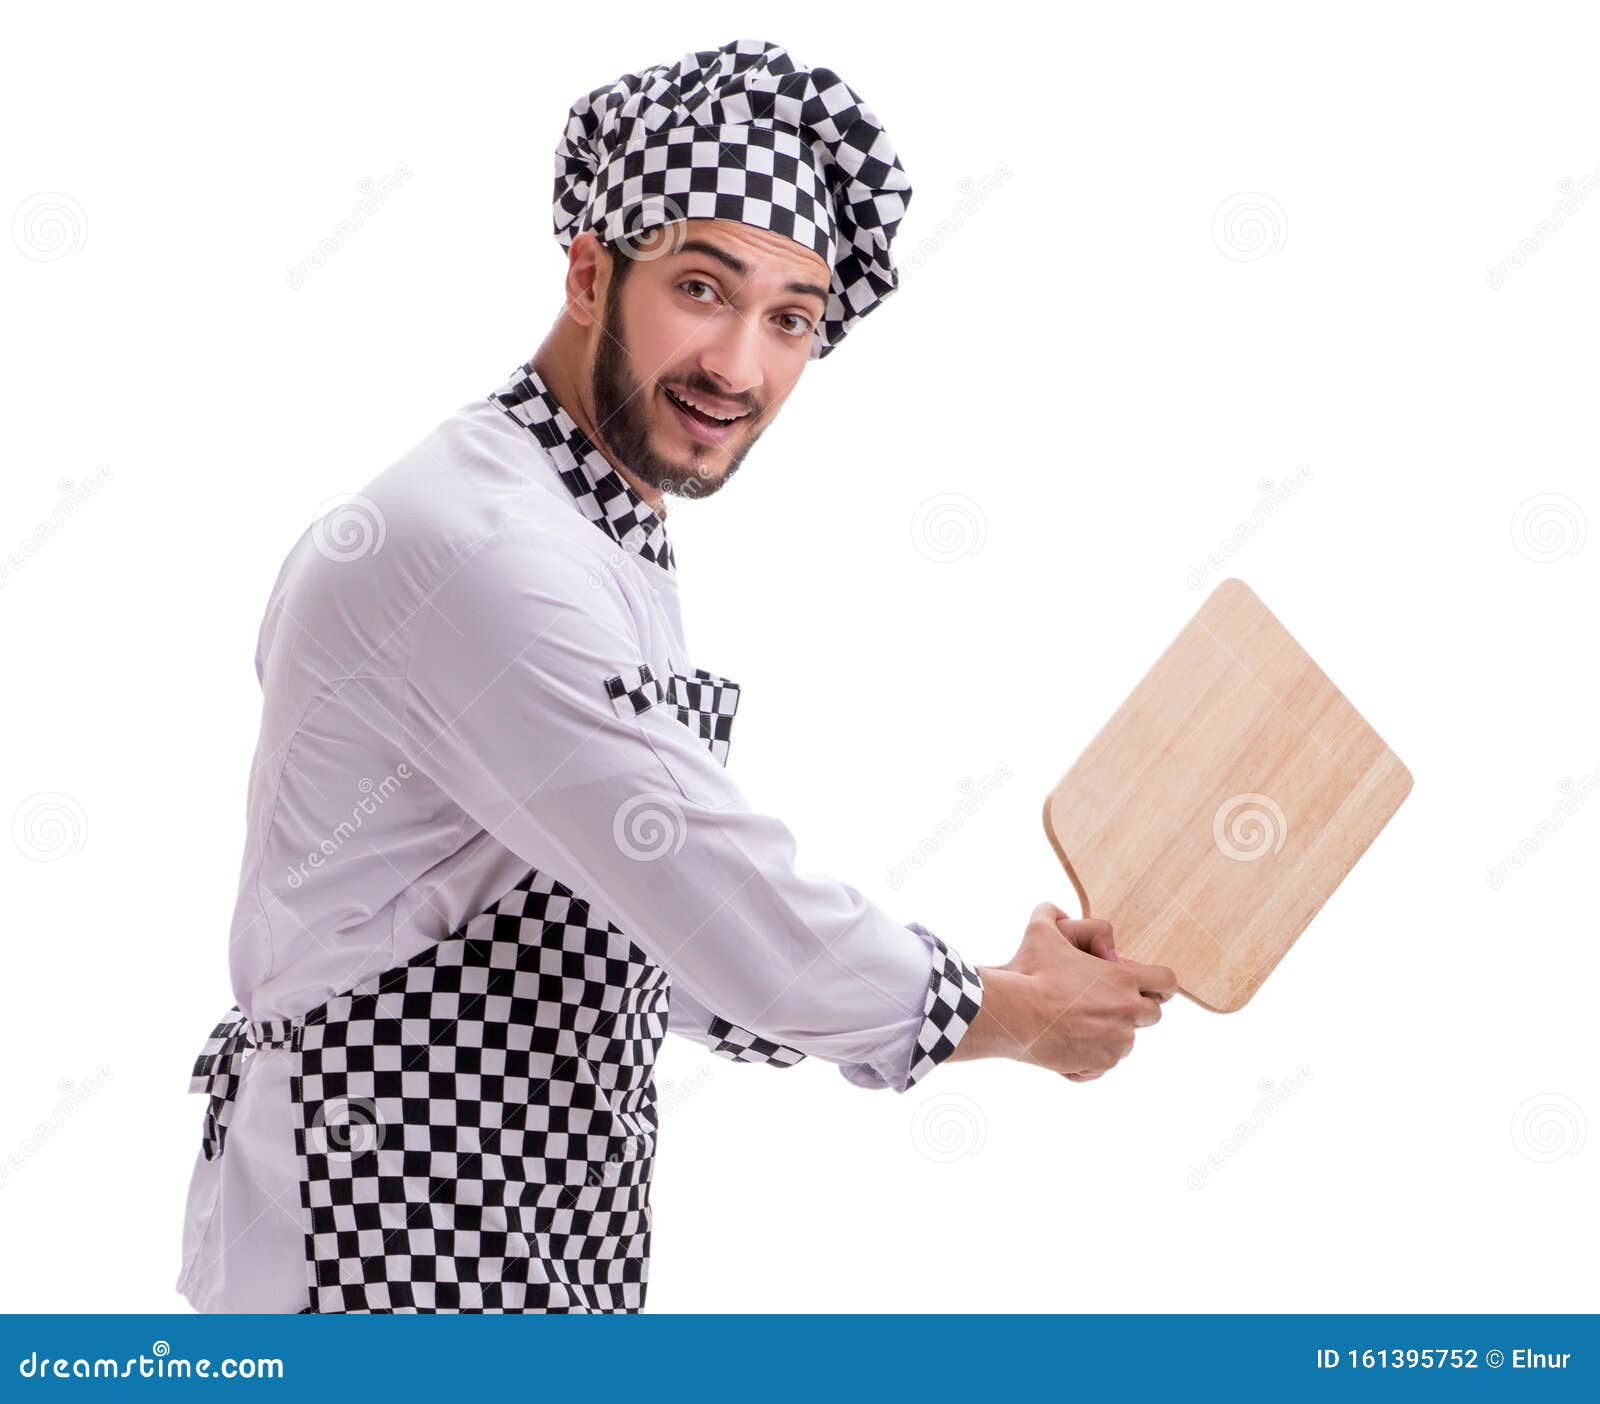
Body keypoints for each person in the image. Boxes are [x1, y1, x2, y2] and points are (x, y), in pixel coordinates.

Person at [178, 36, 1175, 1315]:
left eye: (790, 319)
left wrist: (1002, 990)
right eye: (702, 288)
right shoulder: (482, 551)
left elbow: (643, 919)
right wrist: (1005, 1017)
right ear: (592, 270)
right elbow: (706, 889)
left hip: (520, 1230)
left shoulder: (588, 524)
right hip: (376, 1234)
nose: (738, 367)